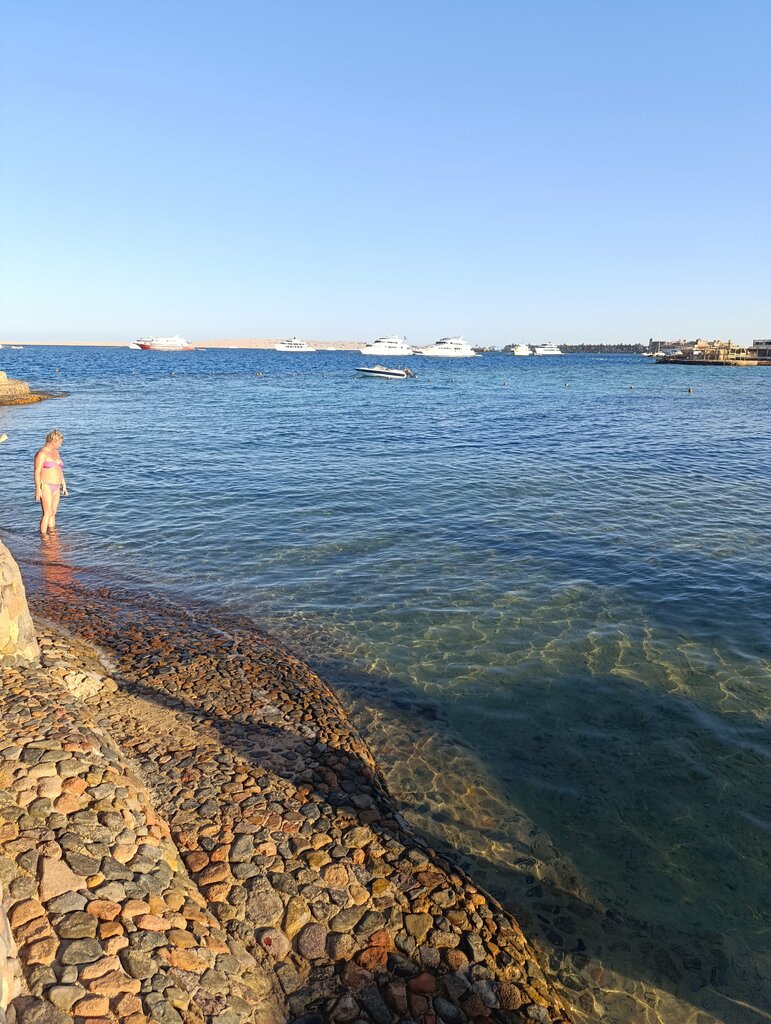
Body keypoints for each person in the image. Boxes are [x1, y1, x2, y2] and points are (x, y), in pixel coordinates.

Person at [34, 429, 68, 535]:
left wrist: (64, 485)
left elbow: (59, 469)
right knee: (47, 513)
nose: (60, 445)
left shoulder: (56, 452)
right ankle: (43, 537)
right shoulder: (42, 453)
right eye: (59, 443)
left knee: (53, 512)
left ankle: (52, 535)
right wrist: (38, 489)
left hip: (57, 486)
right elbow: (37, 472)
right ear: (53, 441)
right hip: (46, 485)